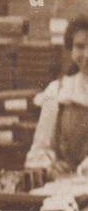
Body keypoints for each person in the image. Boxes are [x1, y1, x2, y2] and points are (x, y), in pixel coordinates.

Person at [26, 15, 88, 176]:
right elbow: (39, 152)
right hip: (70, 188)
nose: (87, 55)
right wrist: (49, 165)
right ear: (71, 49)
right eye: (80, 46)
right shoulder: (58, 91)